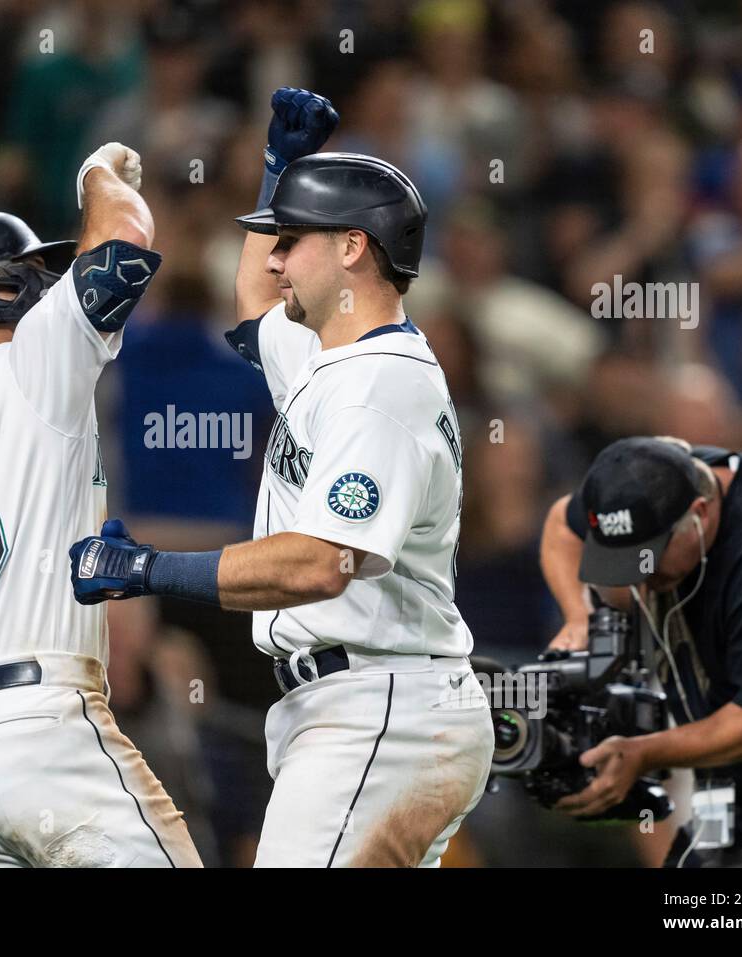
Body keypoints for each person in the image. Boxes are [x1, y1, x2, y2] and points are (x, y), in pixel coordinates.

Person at [69, 89, 494, 867]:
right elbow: (253, 302)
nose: (272, 254)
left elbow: (319, 561)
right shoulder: (333, 352)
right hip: (363, 702)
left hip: (380, 703)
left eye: (291, 238)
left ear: (353, 249)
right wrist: (280, 170)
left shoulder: (381, 385)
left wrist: (149, 570)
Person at [0, 142, 201, 867]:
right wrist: (95, 170)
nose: (44, 285)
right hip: (44, 720)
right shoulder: (32, 363)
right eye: (27, 274)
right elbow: (126, 239)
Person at [540, 436, 742, 867]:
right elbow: (560, 523)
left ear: (699, 516)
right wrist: (578, 618)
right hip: (719, 802)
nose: (639, 580)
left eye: (648, 558)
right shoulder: (650, 482)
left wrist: (644, 753)